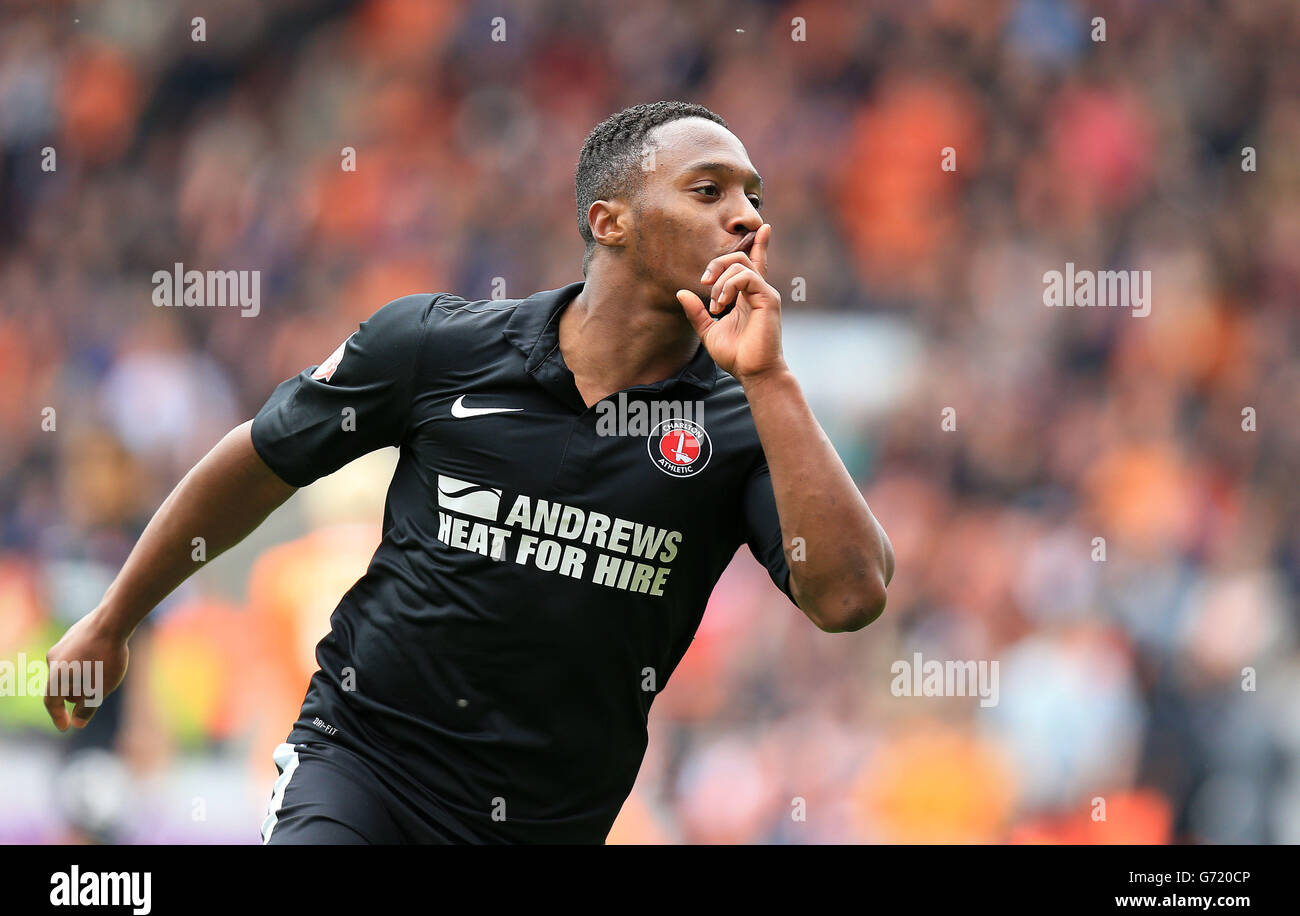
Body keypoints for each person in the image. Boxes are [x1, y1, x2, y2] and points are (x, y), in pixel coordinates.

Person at [44, 101, 894, 844]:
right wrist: (113, 619)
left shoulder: (742, 421)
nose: (746, 216)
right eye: (710, 191)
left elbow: (851, 598)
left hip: (546, 822)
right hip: (362, 764)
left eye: (754, 196)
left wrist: (771, 381)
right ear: (611, 221)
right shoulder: (435, 346)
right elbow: (263, 459)